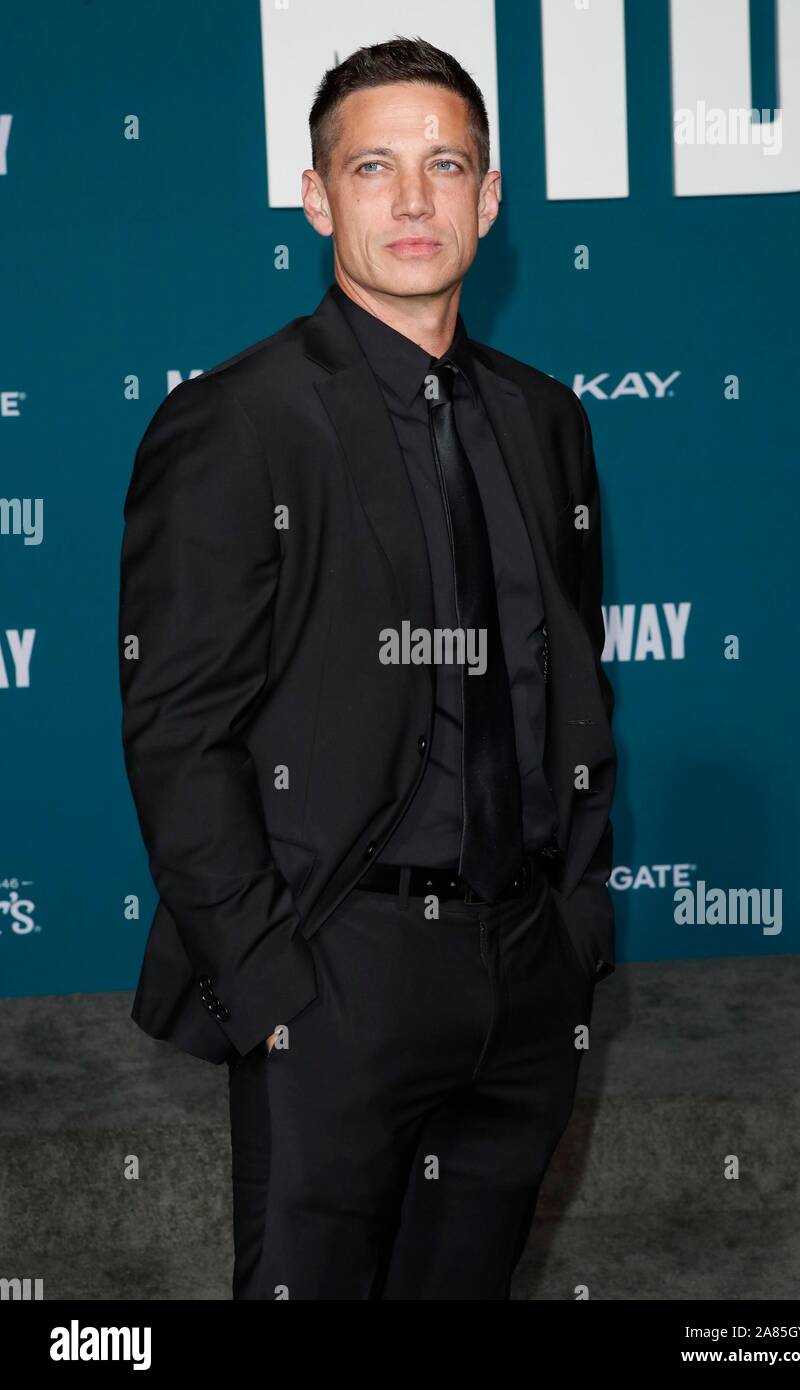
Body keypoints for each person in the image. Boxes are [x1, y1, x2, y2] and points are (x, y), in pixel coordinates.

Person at [118, 35, 617, 1300]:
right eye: (373, 166)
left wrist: (571, 922)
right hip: (338, 966)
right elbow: (179, 728)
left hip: (522, 970)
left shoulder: (544, 416)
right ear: (315, 195)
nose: (410, 199)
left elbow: (569, 679)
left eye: (443, 165)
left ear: (488, 198)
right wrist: (274, 986)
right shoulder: (237, 420)